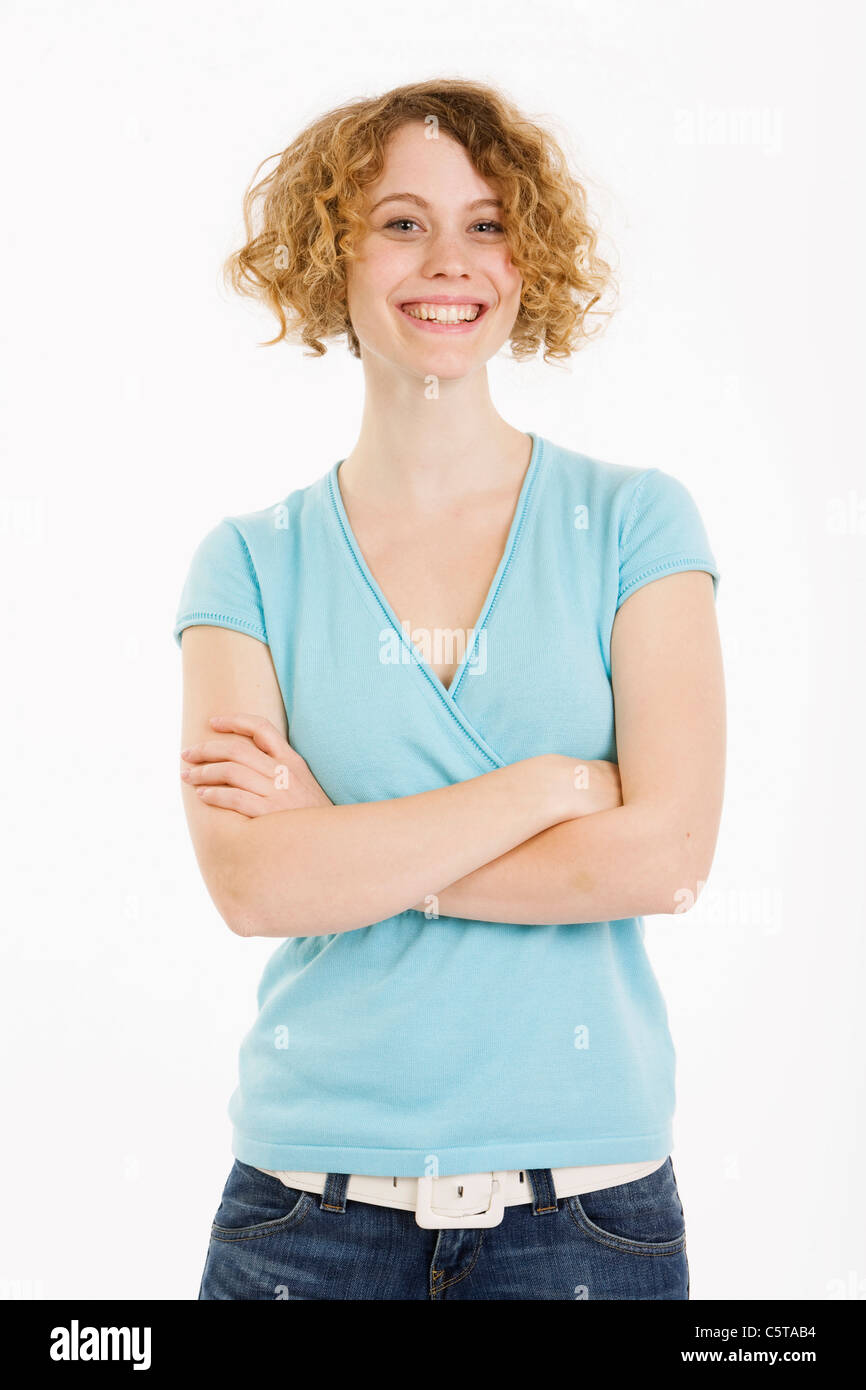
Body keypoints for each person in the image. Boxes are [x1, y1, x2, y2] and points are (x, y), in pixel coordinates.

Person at [174, 78, 725, 1301]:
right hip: (304, 1221)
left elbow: (666, 856)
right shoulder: (251, 560)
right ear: (333, 255)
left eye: (484, 223)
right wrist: (550, 786)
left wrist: (350, 855)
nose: (448, 262)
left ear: (527, 257)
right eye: (400, 221)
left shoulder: (633, 523)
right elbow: (257, 885)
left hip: (584, 1215)